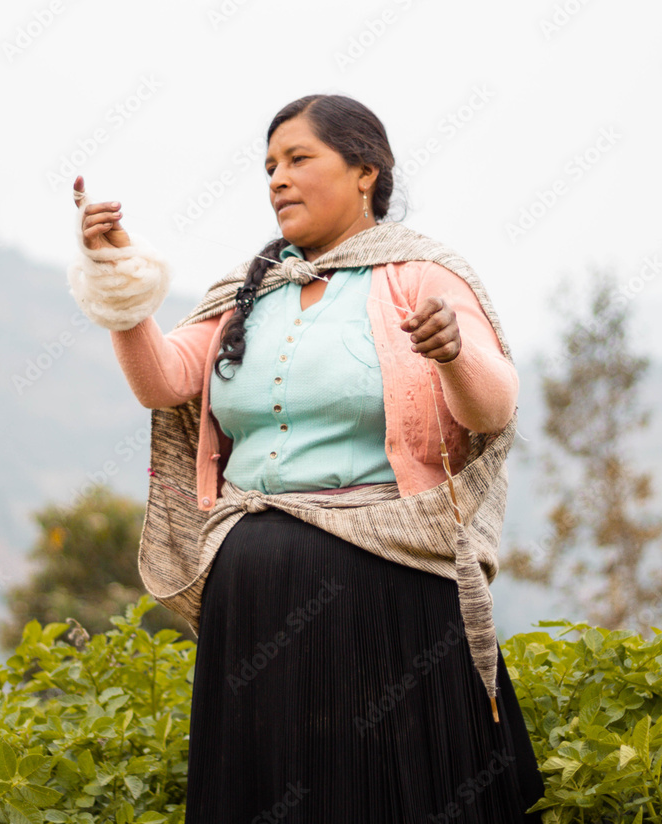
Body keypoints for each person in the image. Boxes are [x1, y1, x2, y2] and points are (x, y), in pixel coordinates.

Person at [67, 94, 546, 823]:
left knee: (386, 795)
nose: (277, 180)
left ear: (365, 171)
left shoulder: (419, 276)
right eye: (268, 167)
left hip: (386, 594)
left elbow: (494, 407)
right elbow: (162, 382)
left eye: (298, 159)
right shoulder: (247, 292)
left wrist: (450, 355)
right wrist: (119, 280)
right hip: (254, 602)